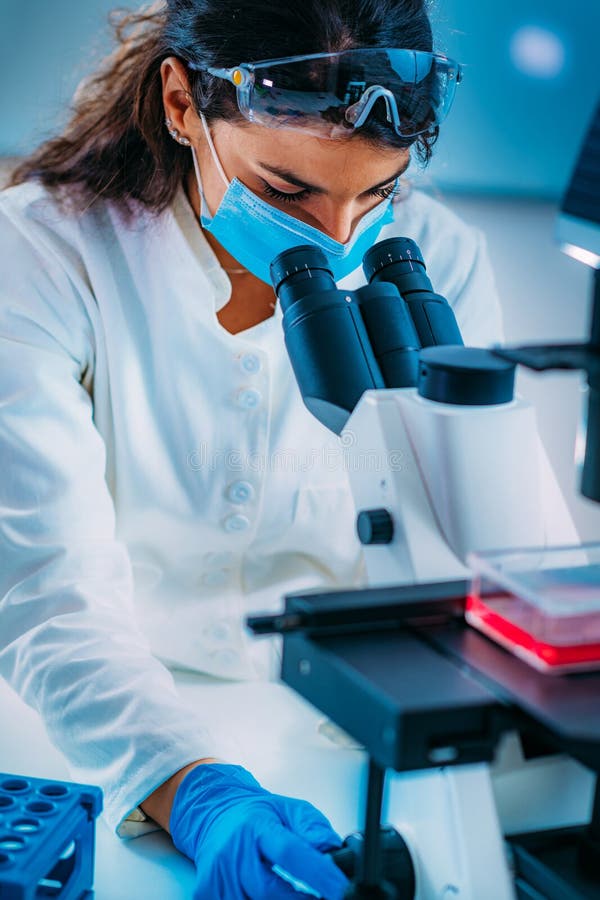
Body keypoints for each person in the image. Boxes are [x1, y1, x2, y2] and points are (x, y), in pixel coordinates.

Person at [0, 1, 520, 897]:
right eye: (287, 191)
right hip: (105, 738)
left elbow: (479, 558)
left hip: (350, 734)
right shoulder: (43, 254)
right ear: (179, 102)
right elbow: (46, 592)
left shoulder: (439, 255)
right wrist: (197, 791)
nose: (341, 237)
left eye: (377, 192)